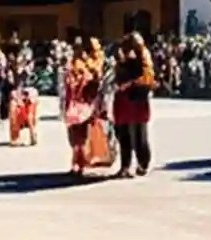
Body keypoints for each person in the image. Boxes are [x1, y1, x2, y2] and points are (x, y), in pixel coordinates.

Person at [112, 32, 156, 178]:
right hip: (124, 101)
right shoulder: (122, 56)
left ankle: (142, 163)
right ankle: (125, 166)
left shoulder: (144, 56)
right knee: (123, 134)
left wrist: (130, 84)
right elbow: (117, 74)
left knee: (139, 135)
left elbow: (147, 76)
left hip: (136, 100)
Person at [64, 38, 105, 176]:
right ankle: (78, 162)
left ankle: (79, 163)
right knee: (78, 136)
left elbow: (92, 84)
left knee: (79, 136)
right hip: (78, 104)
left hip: (82, 104)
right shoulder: (78, 65)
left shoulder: (89, 66)